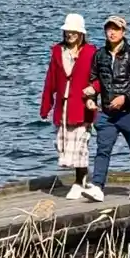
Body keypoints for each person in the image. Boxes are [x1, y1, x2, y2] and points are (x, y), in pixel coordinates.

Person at [81, 14, 130, 201]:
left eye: (116, 29)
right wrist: (91, 98)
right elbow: (94, 80)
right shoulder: (99, 55)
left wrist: (124, 98)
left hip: (129, 111)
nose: (112, 32)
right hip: (107, 112)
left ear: (123, 31)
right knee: (103, 148)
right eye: (109, 29)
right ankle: (97, 186)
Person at [39, 13, 97, 200]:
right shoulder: (57, 51)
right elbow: (51, 80)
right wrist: (45, 106)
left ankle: (79, 182)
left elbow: (99, 79)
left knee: (81, 145)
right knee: (64, 145)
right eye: (67, 31)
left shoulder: (91, 52)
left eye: (73, 31)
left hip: (82, 106)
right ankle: (82, 178)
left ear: (81, 33)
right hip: (63, 107)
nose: (69, 34)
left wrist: (93, 89)